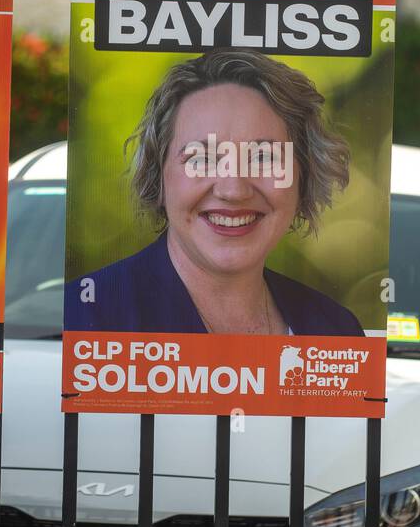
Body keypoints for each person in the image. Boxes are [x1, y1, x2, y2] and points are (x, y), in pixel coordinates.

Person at [65, 48, 363, 336]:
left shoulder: (337, 329)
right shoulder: (85, 316)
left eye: (263, 158)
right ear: (158, 174)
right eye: (201, 158)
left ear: (304, 176)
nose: (233, 189)